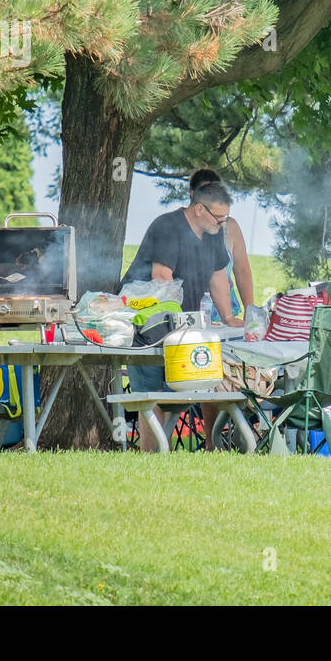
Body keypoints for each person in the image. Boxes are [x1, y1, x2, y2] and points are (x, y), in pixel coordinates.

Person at [121, 181, 242, 452]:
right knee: (150, 394)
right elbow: (162, 278)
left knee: (208, 380)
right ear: (199, 209)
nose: (223, 224)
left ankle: (213, 449)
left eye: (226, 218)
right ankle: (152, 456)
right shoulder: (167, 227)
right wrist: (182, 324)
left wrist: (229, 317)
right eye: (219, 217)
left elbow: (218, 276)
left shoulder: (212, 233)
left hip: (184, 328)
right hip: (148, 326)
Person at [189, 168, 253, 321]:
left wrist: (249, 309)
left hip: (224, 312)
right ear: (192, 194)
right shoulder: (180, 224)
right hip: (190, 310)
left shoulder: (229, 226)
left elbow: (242, 269)